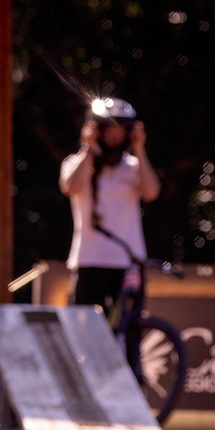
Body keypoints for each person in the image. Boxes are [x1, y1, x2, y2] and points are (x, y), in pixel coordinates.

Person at [59, 96, 162, 315]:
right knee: (83, 329)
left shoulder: (133, 167)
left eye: (120, 131)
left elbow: (151, 192)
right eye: (109, 130)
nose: (115, 137)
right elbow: (69, 187)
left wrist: (140, 149)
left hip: (128, 262)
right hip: (90, 260)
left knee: (130, 328)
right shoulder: (77, 163)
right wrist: (88, 148)